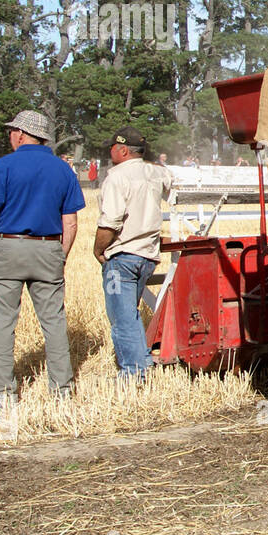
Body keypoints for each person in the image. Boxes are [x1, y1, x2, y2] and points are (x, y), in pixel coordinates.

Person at [0, 110, 85, 403]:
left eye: (11, 131)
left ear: (21, 134)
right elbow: (71, 222)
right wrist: (59, 256)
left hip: (6, 246)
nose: (9, 136)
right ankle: (62, 390)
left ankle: (1, 393)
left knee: (2, 324)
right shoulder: (63, 169)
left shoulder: (5, 165)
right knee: (53, 322)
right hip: (48, 247)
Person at [93, 126, 172, 380]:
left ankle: (134, 373)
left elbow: (110, 222)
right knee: (131, 312)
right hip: (148, 256)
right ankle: (143, 362)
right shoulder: (156, 172)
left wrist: (99, 249)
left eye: (113, 147)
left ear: (123, 150)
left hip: (123, 256)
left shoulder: (116, 178)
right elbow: (170, 181)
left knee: (122, 316)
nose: (110, 151)